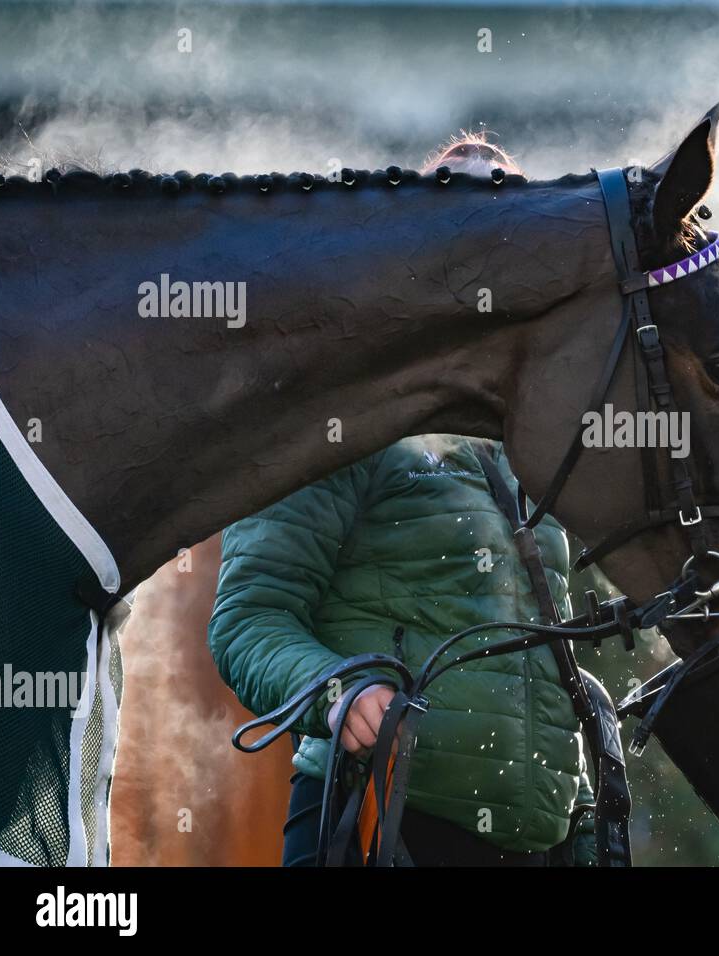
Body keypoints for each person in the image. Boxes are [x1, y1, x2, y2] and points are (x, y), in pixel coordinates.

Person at [210, 139, 598, 866]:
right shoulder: (339, 410)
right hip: (381, 823)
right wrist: (339, 691)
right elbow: (246, 621)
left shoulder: (532, 442)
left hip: (544, 840)